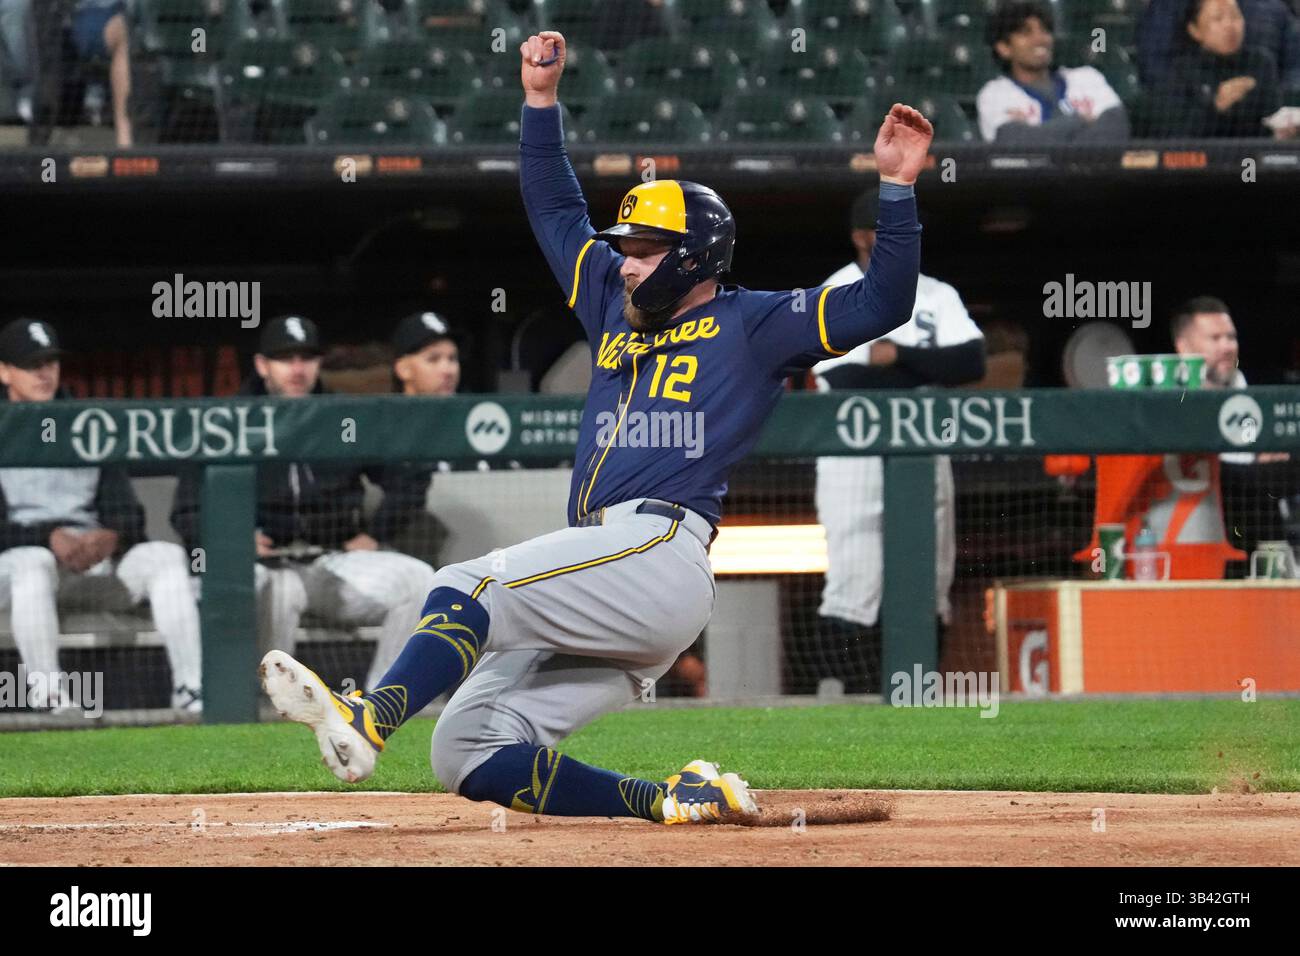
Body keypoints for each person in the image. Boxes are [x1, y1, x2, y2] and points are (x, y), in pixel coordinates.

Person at [261, 30, 931, 825]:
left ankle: (370, 718)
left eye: (646, 250)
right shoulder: (611, 297)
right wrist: (539, 102)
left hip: (660, 553)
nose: (629, 262)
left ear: (694, 256)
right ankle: (672, 801)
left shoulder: (754, 324)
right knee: (463, 749)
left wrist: (895, 188)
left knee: (465, 583)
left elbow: (881, 304)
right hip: (609, 570)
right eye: (627, 249)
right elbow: (553, 207)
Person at [170, 315, 437, 689]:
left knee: (419, 581)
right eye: (285, 358)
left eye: (306, 358)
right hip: (263, 565)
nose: (297, 369)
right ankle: (267, 702)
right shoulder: (226, 420)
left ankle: (382, 703)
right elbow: (186, 510)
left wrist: (376, 534)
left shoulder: (343, 417)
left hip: (331, 561)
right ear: (262, 365)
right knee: (282, 589)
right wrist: (232, 542)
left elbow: (409, 479)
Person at [809, 188, 986, 694]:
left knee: (931, 579)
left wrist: (897, 356)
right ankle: (843, 696)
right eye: (889, 230)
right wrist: (925, 367)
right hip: (853, 455)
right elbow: (844, 378)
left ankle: (918, 696)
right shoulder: (837, 291)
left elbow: (971, 362)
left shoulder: (937, 294)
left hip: (926, 446)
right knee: (853, 582)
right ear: (861, 237)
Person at [0, 318, 202, 713]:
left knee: (165, 556)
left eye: (50, 363)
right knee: (33, 562)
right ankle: (50, 695)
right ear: (4, 371)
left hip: (86, 566)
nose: (44, 373)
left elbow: (128, 512)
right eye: (31, 364)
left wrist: (111, 536)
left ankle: (191, 690)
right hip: (17, 571)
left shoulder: (86, 424)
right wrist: (47, 537)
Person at [977, 0, 1130, 143]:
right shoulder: (995, 94)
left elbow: (1117, 128)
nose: (1040, 39)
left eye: (1045, 30)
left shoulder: (1087, 78)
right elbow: (1017, 142)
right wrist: (1080, 121)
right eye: (1026, 32)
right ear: (1004, 48)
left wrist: (1044, 133)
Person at [1148, 0, 1292, 138]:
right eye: (1218, 19)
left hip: (1254, 159)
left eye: (1235, 16)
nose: (1229, 25)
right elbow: (1174, 134)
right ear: (1194, 30)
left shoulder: (1261, 63)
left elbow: (1272, 118)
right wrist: (1217, 106)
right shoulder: (1180, 71)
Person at [30, 0, 132, 147]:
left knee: (127, 29)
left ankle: (126, 142)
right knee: (123, 31)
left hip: (126, 13)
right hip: (81, 15)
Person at [1138, 0, 1300, 89]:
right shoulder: (1169, 7)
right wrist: (1206, 102)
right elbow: (1155, 70)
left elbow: (1294, 67)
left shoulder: (1272, 9)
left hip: (1262, 126)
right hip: (1194, 127)